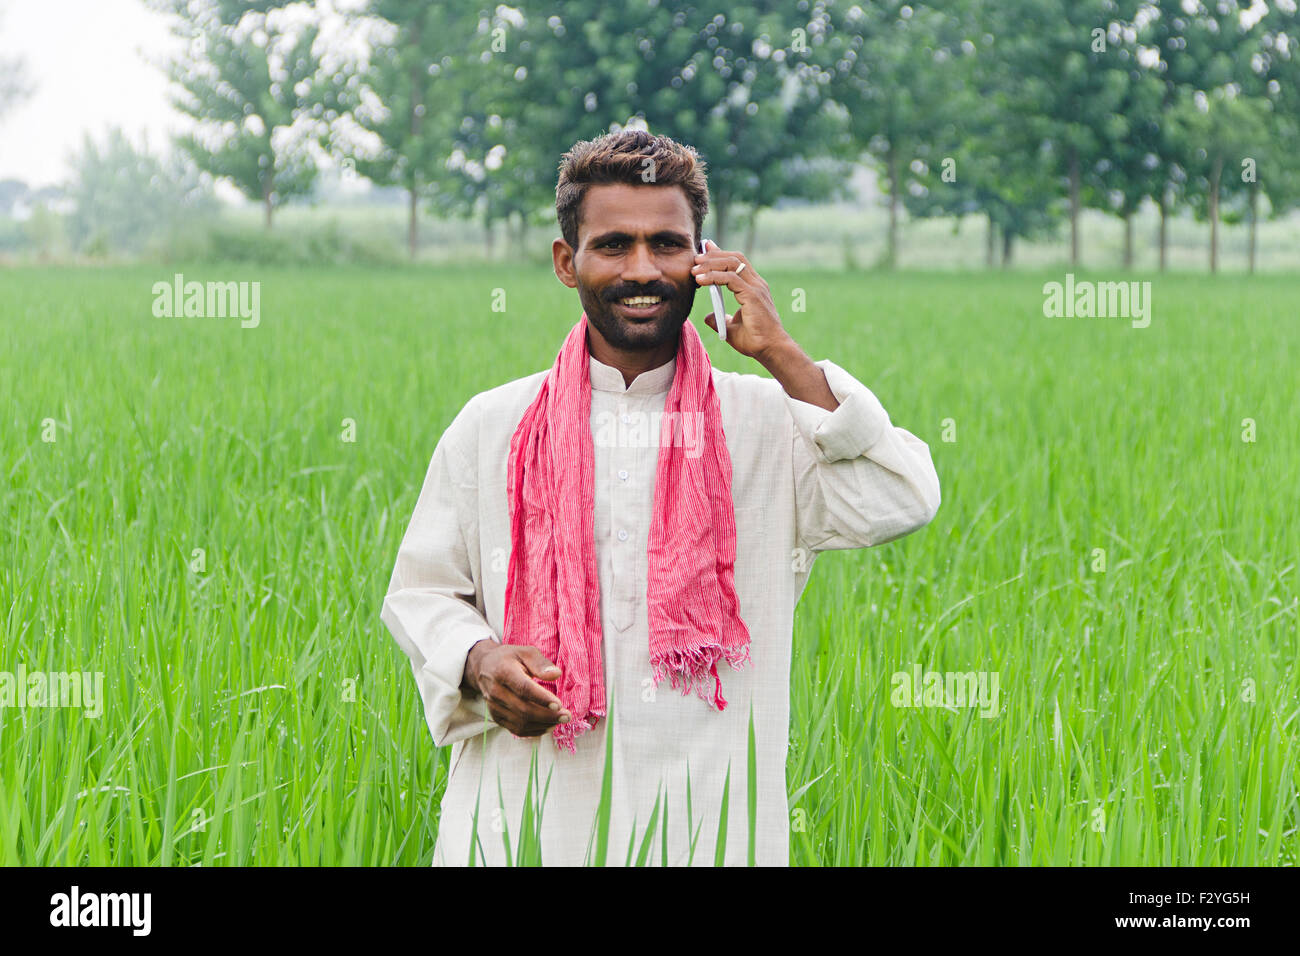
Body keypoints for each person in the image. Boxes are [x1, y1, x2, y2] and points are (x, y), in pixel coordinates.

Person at [380, 129, 941, 866]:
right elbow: (420, 594)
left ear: (703, 262)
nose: (642, 270)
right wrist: (480, 661)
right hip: (525, 823)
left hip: (710, 828)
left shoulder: (769, 423)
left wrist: (781, 353)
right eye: (612, 245)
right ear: (565, 262)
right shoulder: (494, 425)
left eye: (667, 245)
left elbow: (902, 494)